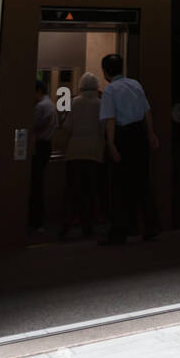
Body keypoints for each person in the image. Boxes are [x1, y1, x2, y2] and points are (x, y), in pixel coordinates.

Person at [98, 54, 160, 244]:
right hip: (139, 135)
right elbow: (147, 111)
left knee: (119, 186)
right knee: (143, 182)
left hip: (122, 136)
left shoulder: (110, 91)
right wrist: (150, 134)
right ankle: (151, 226)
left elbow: (110, 119)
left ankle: (119, 231)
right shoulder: (135, 85)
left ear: (106, 72)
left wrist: (111, 144)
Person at [60, 73, 104, 239]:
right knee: (90, 191)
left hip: (74, 151)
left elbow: (67, 127)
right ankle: (88, 227)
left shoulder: (75, 102)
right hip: (94, 151)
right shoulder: (100, 104)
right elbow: (103, 129)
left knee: (72, 190)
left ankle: (66, 226)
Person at [29, 79, 56, 234]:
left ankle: (36, 221)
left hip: (39, 146)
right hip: (47, 145)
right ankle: (38, 221)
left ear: (38, 90)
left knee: (36, 184)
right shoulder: (50, 104)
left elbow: (34, 126)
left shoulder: (41, 106)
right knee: (39, 183)